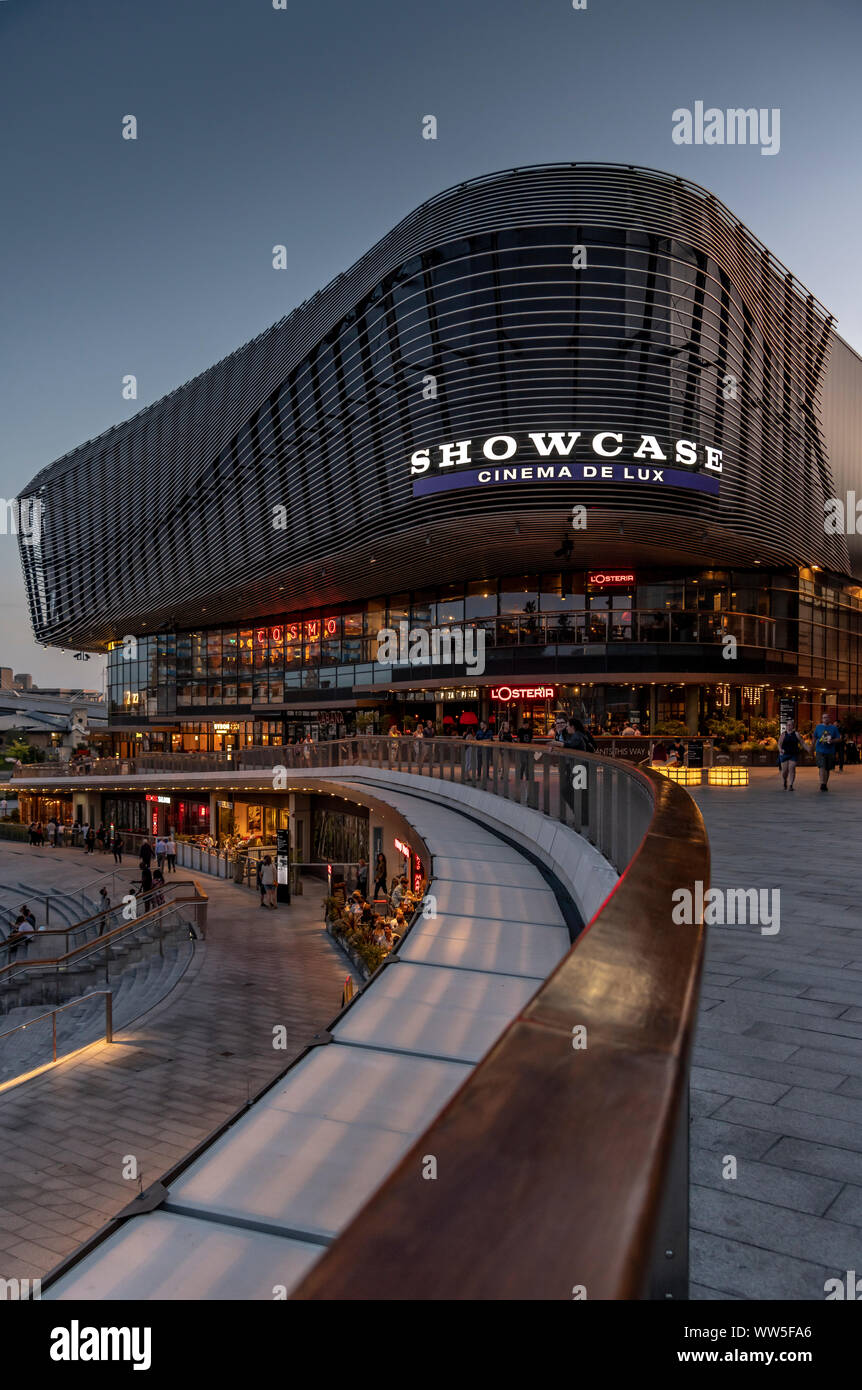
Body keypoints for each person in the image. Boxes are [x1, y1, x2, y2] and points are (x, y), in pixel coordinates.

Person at [813, 709, 842, 791]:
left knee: (828, 769)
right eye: (824, 717)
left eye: (827, 717)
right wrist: (812, 747)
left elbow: (839, 739)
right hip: (820, 750)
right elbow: (814, 737)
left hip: (830, 751)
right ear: (822, 719)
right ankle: (822, 783)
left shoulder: (834, 728)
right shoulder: (818, 727)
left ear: (829, 718)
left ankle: (825, 783)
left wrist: (832, 741)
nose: (825, 719)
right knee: (822, 767)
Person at [778, 718, 803, 791]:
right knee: (784, 771)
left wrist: (809, 749)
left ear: (793, 726)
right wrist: (780, 750)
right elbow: (779, 744)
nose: (789, 726)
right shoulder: (783, 734)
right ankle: (785, 780)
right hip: (784, 754)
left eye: (790, 725)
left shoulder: (796, 734)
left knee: (792, 769)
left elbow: (802, 743)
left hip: (793, 754)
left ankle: (790, 785)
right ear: (786, 726)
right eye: (788, 725)